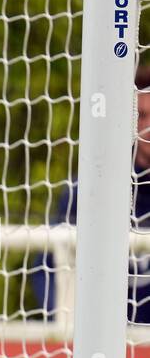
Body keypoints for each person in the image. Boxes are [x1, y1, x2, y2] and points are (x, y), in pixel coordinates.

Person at [28, 63, 150, 322]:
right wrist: (66, 323)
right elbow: (46, 266)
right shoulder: (92, 189)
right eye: (141, 115)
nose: (148, 127)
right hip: (105, 344)